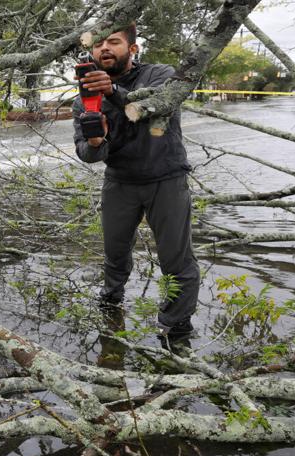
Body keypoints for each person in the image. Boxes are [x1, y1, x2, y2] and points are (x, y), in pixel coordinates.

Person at [72, 24, 199, 353]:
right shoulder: (85, 99)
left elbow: (158, 106)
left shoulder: (160, 75)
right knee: (114, 256)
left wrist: (113, 92)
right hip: (120, 182)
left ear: (134, 48)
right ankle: (112, 306)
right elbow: (88, 155)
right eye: (98, 45)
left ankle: (176, 330)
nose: (104, 49)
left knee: (176, 261)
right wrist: (96, 140)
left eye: (113, 42)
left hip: (166, 179)